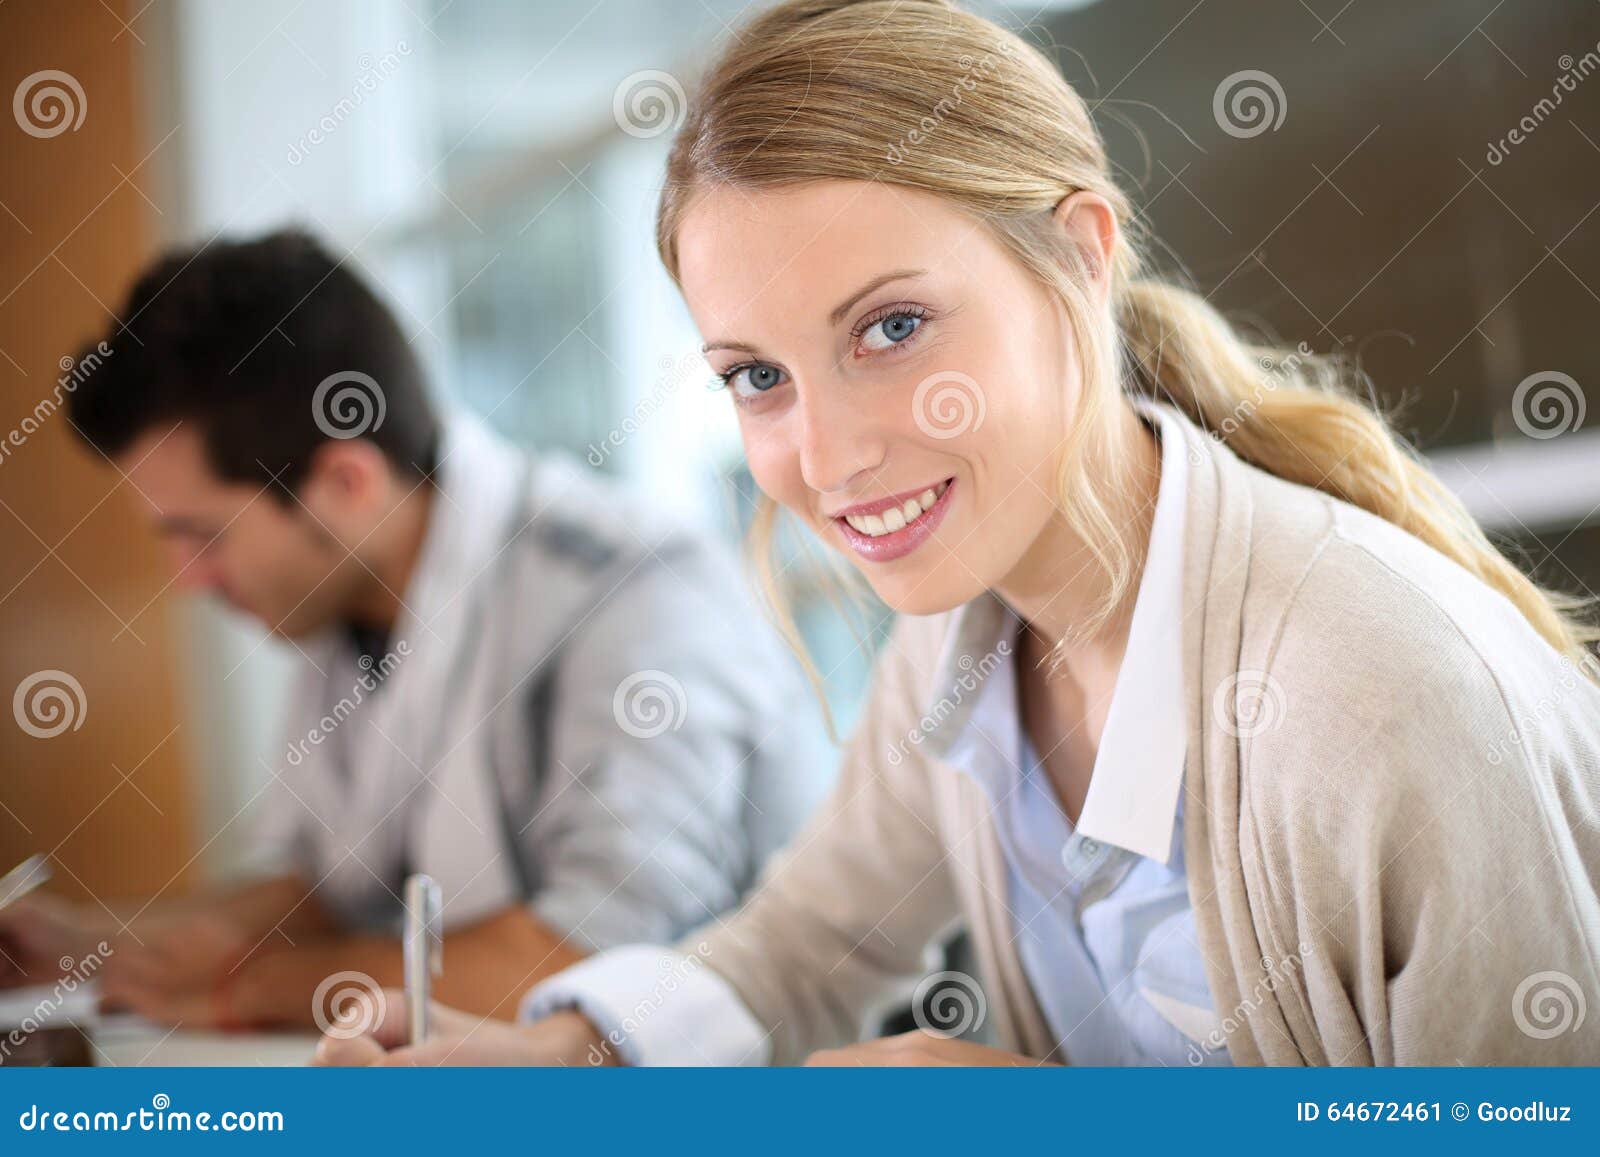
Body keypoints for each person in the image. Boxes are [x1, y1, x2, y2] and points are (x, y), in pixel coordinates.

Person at [316, 0, 1600, 1066]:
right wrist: (566, 1051)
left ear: (1080, 258)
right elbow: (804, 942)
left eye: (891, 328)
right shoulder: (962, 644)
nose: (826, 458)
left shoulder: (1382, 699)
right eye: (757, 376)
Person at [0, 229, 829, 1028]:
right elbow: (332, 893)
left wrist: (249, 985)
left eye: (204, 535)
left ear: (347, 482)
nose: (187, 578)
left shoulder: (633, 590)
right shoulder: (347, 614)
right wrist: (87, 946)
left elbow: (597, 959)